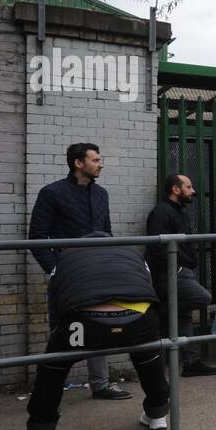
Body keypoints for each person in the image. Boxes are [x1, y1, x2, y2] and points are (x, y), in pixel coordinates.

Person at [25, 231, 170, 430]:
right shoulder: (132, 252)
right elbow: (147, 287)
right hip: (139, 318)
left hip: (84, 322)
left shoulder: (66, 257)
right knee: (148, 356)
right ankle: (158, 415)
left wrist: (59, 333)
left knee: (53, 367)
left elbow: (54, 297)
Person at [27, 142, 131, 400]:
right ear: (78, 163)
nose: (101, 164)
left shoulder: (101, 194)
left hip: (97, 272)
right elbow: (37, 237)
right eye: (95, 160)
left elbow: (107, 233)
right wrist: (54, 271)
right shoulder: (51, 193)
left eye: (100, 159)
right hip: (68, 274)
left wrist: (109, 262)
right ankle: (49, 389)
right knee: (63, 330)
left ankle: (101, 385)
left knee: (101, 323)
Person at [144, 173, 216, 376]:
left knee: (182, 316)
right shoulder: (162, 212)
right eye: (188, 187)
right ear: (176, 189)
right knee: (203, 297)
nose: (193, 191)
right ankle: (166, 312)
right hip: (172, 273)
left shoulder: (179, 211)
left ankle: (191, 362)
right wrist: (175, 269)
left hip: (182, 271)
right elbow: (157, 247)